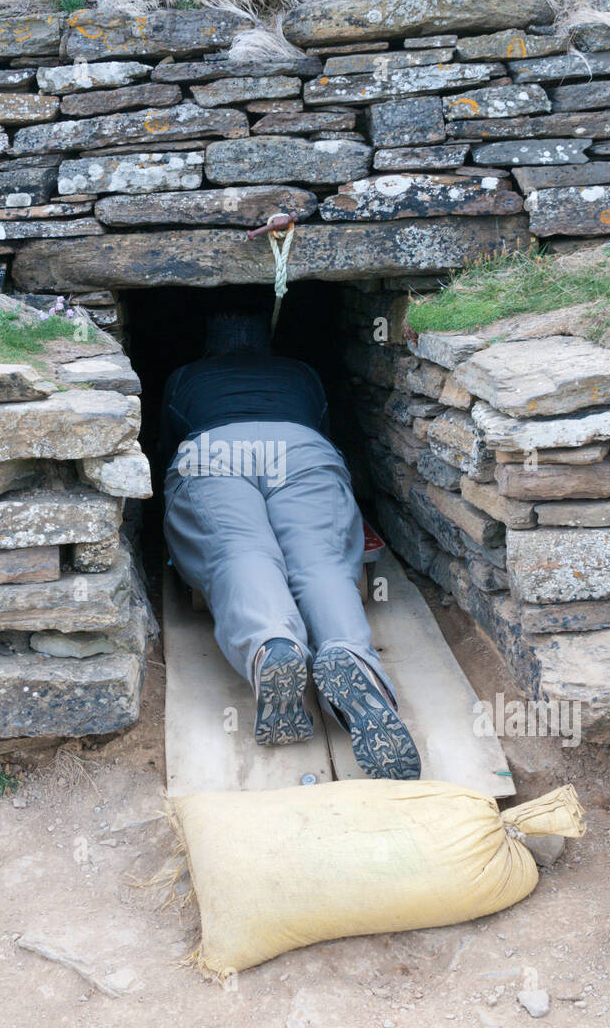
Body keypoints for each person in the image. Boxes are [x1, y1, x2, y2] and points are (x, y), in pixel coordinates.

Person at [161, 309, 421, 780]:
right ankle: (349, 656)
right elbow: (324, 425)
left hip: (213, 452)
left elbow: (166, 440)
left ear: (210, 345)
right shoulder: (300, 372)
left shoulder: (185, 376)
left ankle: (270, 643)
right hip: (300, 448)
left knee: (240, 551)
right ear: (268, 341)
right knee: (319, 561)